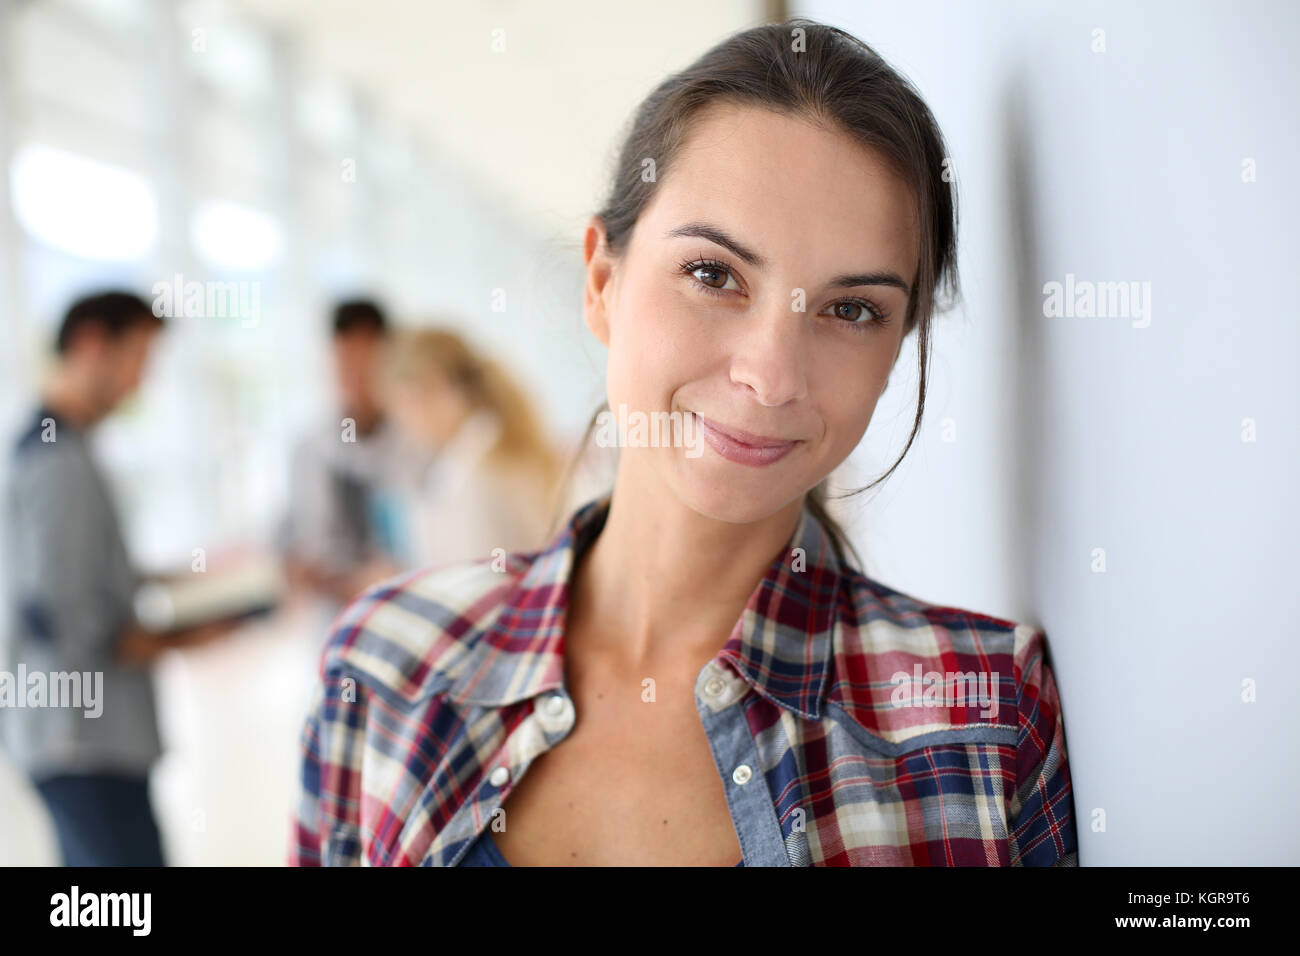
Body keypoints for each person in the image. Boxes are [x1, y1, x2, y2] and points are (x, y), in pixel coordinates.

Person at [290, 19, 1078, 867]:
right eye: (714, 274)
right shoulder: (383, 672)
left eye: (852, 310)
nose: (773, 376)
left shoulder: (985, 719)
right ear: (603, 283)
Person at [2, 291, 239, 866]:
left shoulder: (63, 449)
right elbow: (72, 617)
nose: (141, 383)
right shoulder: (58, 461)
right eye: (138, 359)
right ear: (89, 344)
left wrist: (195, 583)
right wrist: (186, 637)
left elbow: (90, 581)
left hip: (80, 741)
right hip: (80, 741)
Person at [380, 328, 564, 570]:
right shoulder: (497, 447)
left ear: (433, 384)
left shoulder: (471, 476)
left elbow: (476, 588)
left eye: (399, 405)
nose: (400, 423)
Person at [281, 298, 424, 605]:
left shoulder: (419, 441)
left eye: (367, 361)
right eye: (345, 360)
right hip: (336, 621)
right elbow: (294, 549)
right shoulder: (307, 449)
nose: (356, 375)